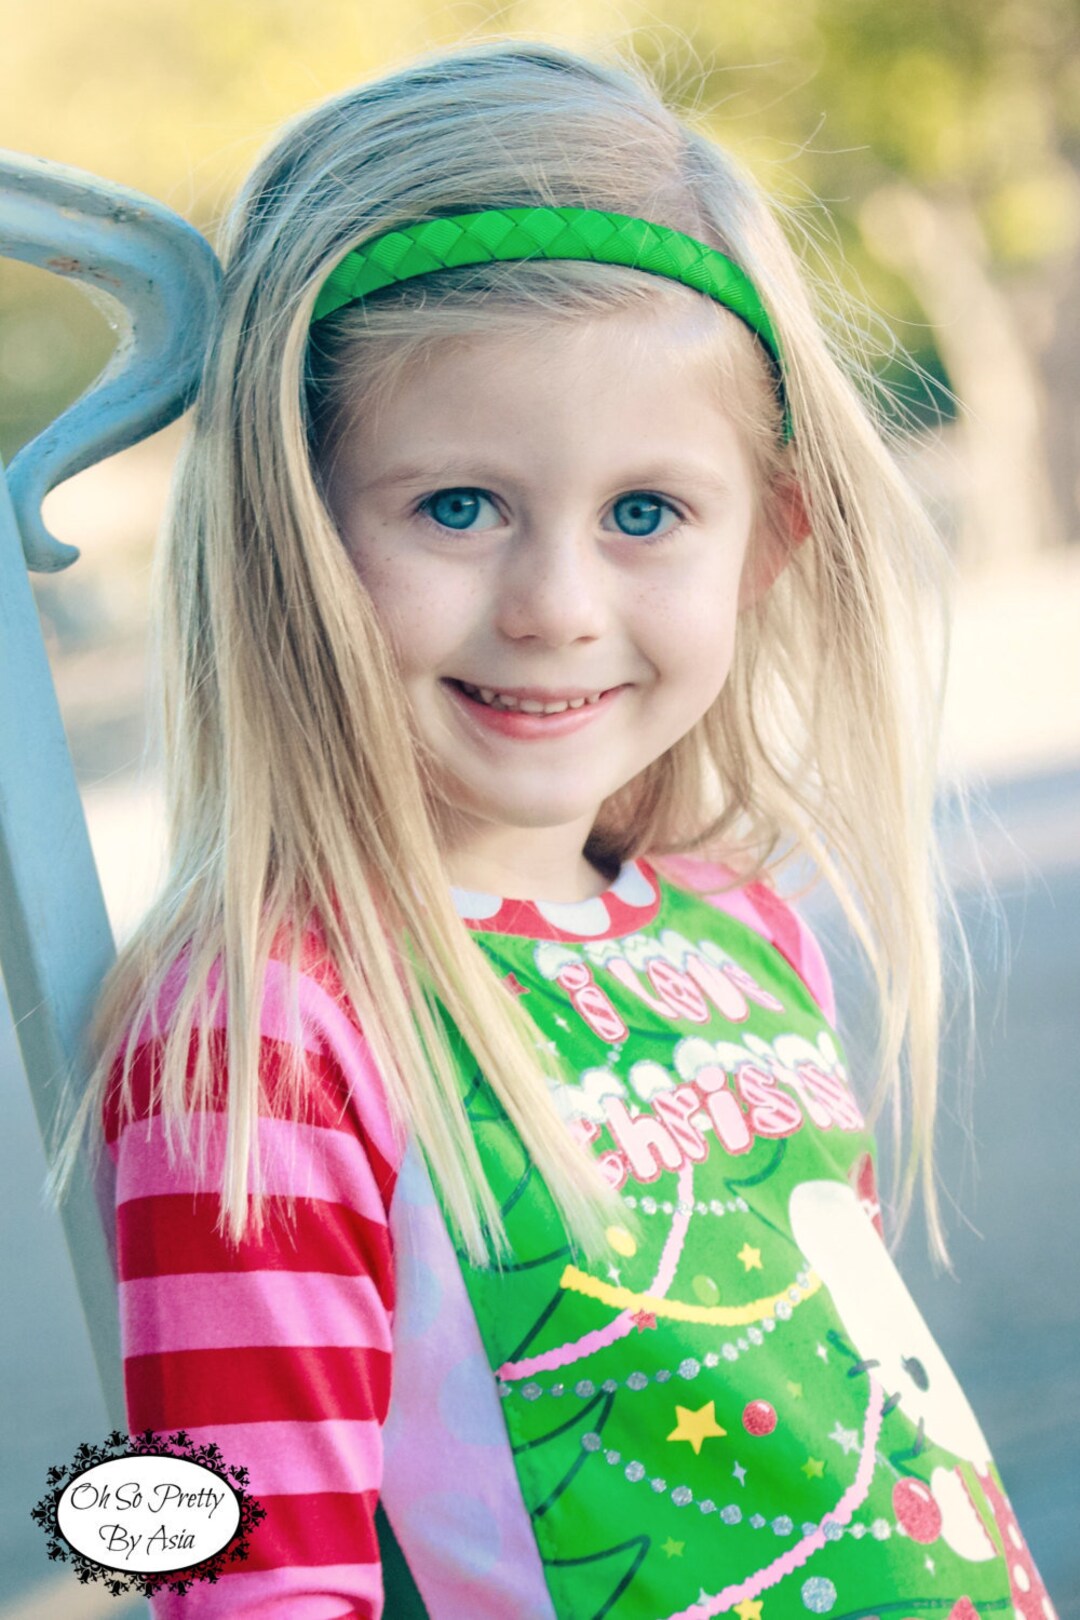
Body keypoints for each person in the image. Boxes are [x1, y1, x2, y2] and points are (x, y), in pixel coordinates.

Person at [57, 36, 1056, 1620]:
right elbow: (238, 1570)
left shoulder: (741, 924)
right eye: (458, 507)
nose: (556, 609)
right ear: (289, 534)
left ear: (767, 540)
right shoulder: (273, 1031)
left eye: (643, 513)